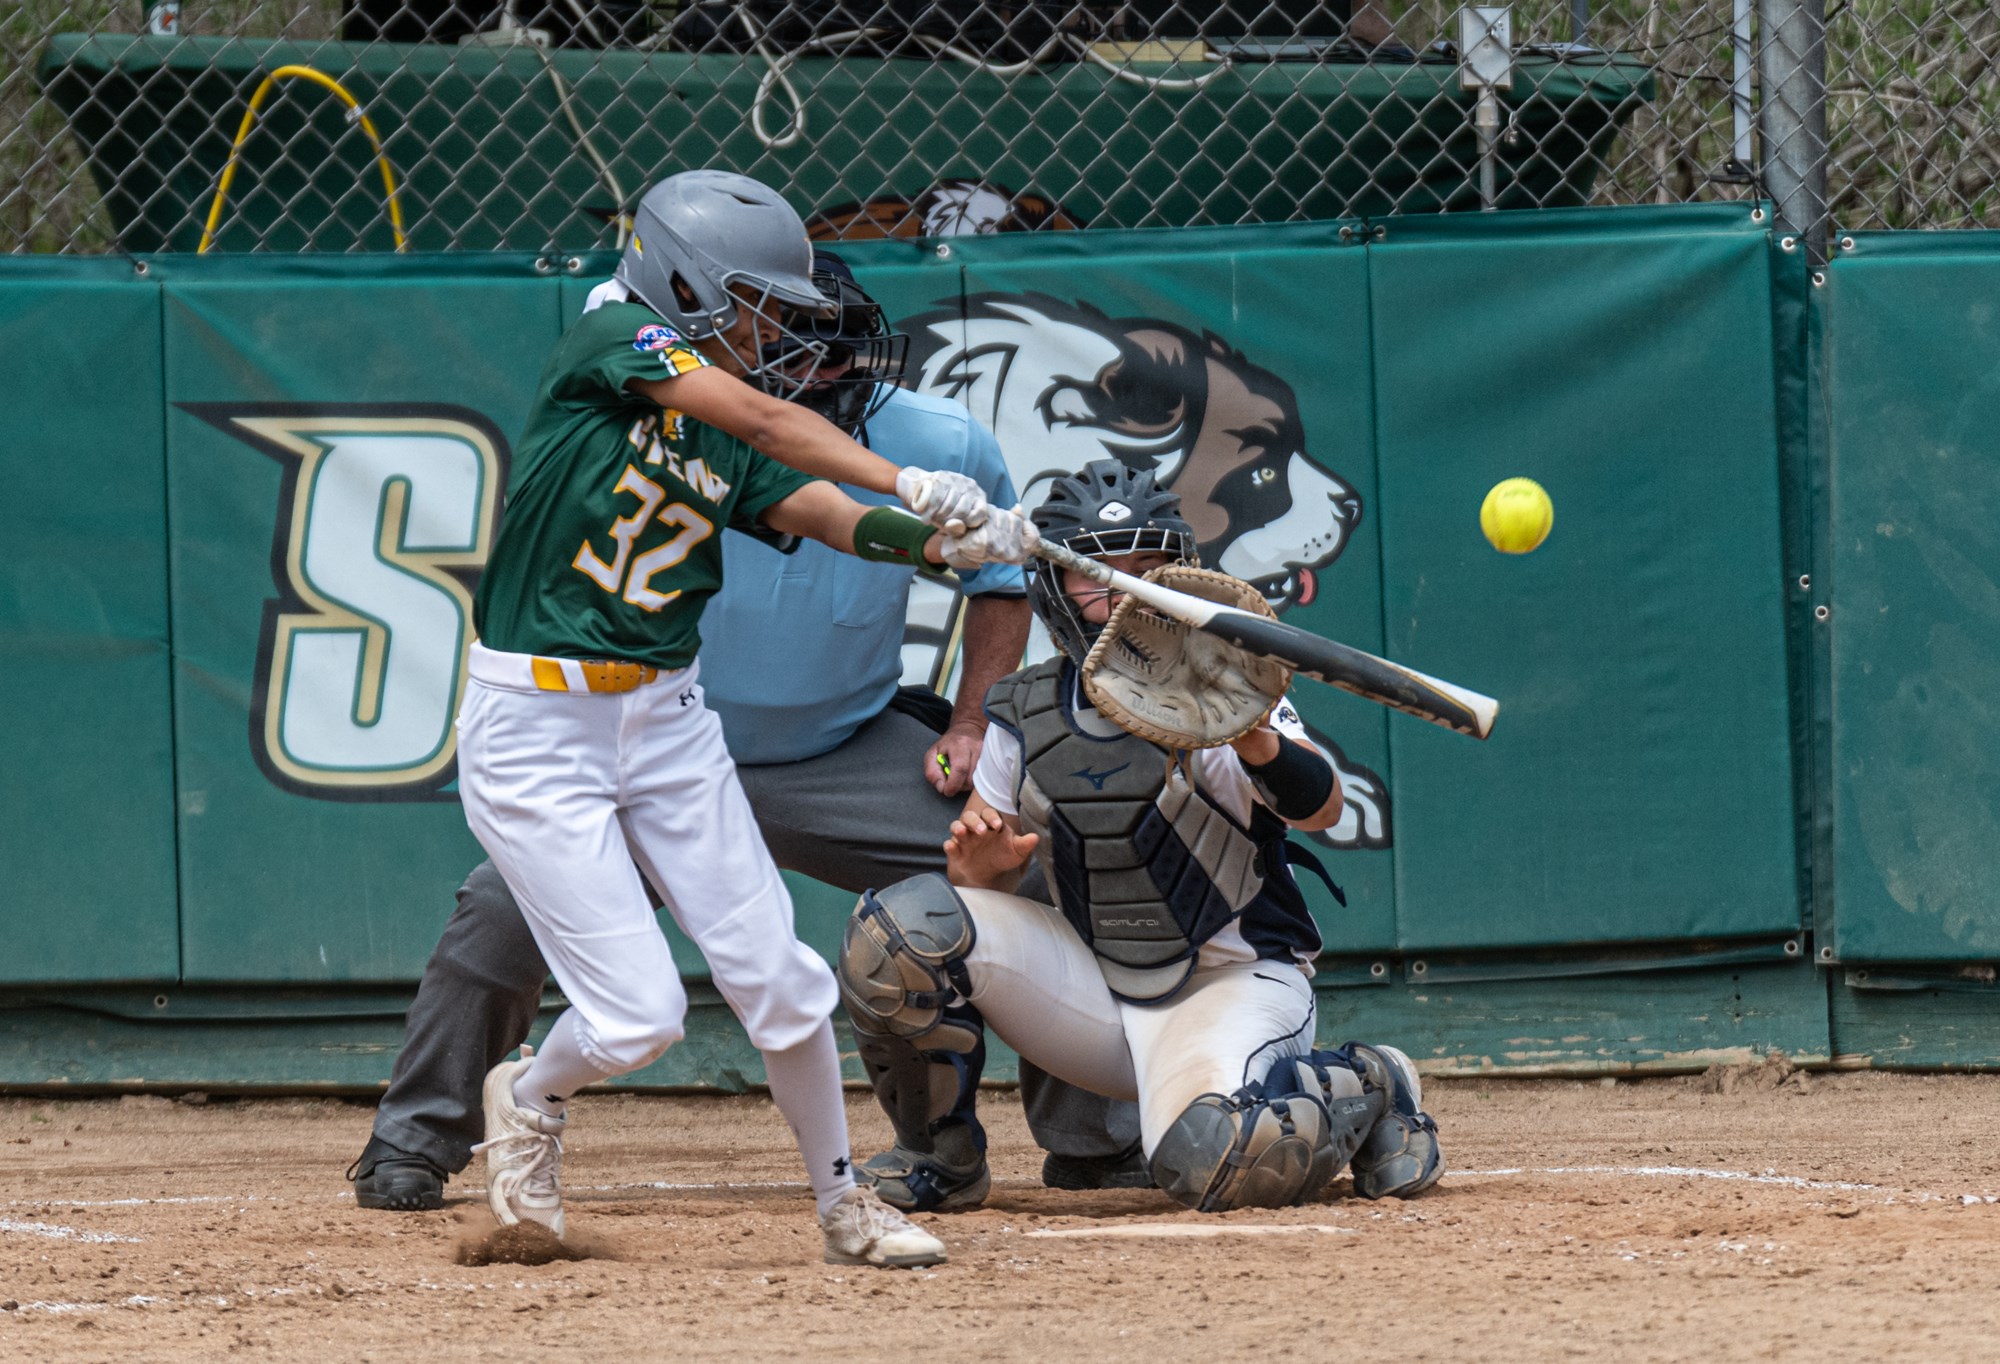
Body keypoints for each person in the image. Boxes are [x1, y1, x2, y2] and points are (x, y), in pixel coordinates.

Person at [346, 249, 1147, 1219]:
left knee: (1031, 852)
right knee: (500, 907)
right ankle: (413, 1137)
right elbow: (797, 476)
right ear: (736, 348)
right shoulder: (665, 433)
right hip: (658, 749)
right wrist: (913, 510)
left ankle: (1092, 1138)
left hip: (840, 747)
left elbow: (990, 585)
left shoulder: (943, 438)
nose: (819, 370)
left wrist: (972, 712)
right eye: (788, 348)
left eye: (836, 355)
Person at [440, 168, 1040, 1269]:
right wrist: (913, 480)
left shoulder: (716, 412)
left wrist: (945, 544)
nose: (771, 328)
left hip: (665, 718)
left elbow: (814, 507)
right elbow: (772, 420)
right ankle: (527, 1095)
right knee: (638, 1018)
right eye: (752, 303)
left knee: (780, 980)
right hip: (538, 723)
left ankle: (841, 1204)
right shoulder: (613, 339)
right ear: (681, 281)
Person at [838, 460, 1445, 1214]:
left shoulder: (1225, 686)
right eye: (1098, 570)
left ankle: (1373, 1083)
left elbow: (1319, 810)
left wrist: (1253, 734)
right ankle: (941, 1160)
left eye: (1147, 566)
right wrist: (982, 872)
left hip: (1234, 981)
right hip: (1090, 994)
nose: (1123, 590)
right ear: (1057, 586)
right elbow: (986, 896)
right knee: (900, 929)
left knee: (1220, 1162)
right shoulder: (1021, 713)